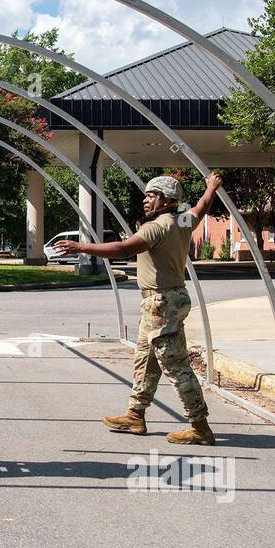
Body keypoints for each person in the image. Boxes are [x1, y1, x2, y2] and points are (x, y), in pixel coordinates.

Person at [53, 173, 223, 445]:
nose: (145, 200)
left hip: (161, 302)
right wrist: (210, 188)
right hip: (165, 301)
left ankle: (200, 426)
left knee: (175, 365)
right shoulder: (182, 220)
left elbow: (122, 249)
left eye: (151, 195)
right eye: (146, 195)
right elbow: (201, 207)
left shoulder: (157, 227)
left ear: (167, 200)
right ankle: (135, 415)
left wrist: (81, 246)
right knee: (145, 359)